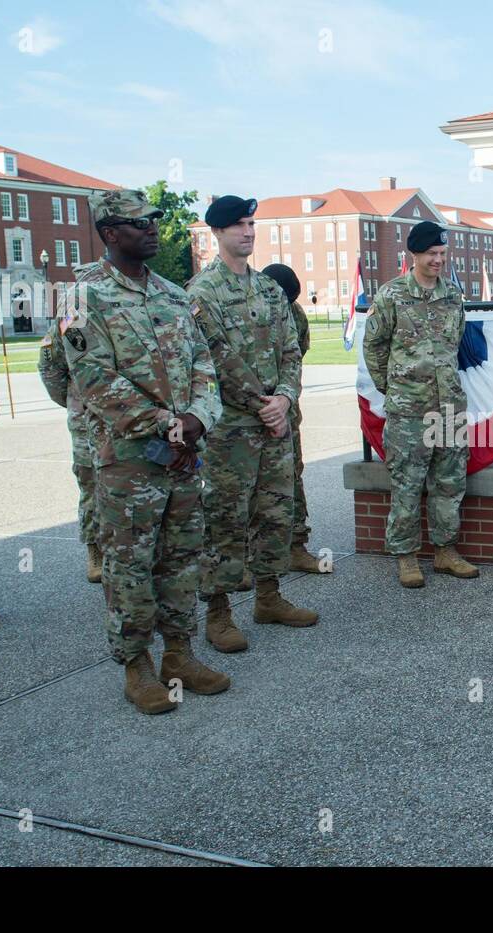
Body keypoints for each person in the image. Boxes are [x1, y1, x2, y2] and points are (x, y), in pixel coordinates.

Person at [62, 189, 227, 714]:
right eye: (139, 223)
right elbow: (93, 379)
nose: (153, 229)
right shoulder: (83, 300)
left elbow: (205, 365)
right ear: (110, 233)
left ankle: (179, 654)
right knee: (129, 564)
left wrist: (197, 420)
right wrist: (166, 425)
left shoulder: (174, 296)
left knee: (181, 558)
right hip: (129, 460)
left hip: (183, 454)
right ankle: (137, 666)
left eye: (154, 220)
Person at [187, 196, 317, 656]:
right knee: (225, 520)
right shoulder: (201, 293)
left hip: (273, 424)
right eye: (238, 225)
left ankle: (268, 596)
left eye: (251, 223)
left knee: (275, 513)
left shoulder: (269, 290)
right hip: (231, 429)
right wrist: (262, 402)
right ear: (217, 234)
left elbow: (290, 351)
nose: (248, 231)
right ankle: (219, 613)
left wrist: (284, 398)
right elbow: (215, 357)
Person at [363, 221, 479, 588]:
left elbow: (455, 344)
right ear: (413, 254)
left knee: (449, 481)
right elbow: (374, 346)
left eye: (443, 254)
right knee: (408, 483)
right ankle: (407, 556)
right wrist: (395, 387)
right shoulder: (391, 295)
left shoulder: (453, 296)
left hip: (449, 407)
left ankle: (445, 551)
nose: (438, 260)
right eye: (432, 254)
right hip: (409, 410)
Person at [262, 262, 331, 577]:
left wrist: (282, 397)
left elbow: (296, 357)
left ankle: (295, 547)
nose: (286, 306)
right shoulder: (244, 308)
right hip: (243, 415)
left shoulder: (295, 313)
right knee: (245, 487)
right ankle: (248, 557)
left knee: (292, 476)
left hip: (286, 410)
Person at [38, 261, 104, 584]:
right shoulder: (71, 318)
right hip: (85, 418)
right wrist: (72, 401)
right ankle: (95, 550)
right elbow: (50, 367)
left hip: (127, 416)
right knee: (91, 483)